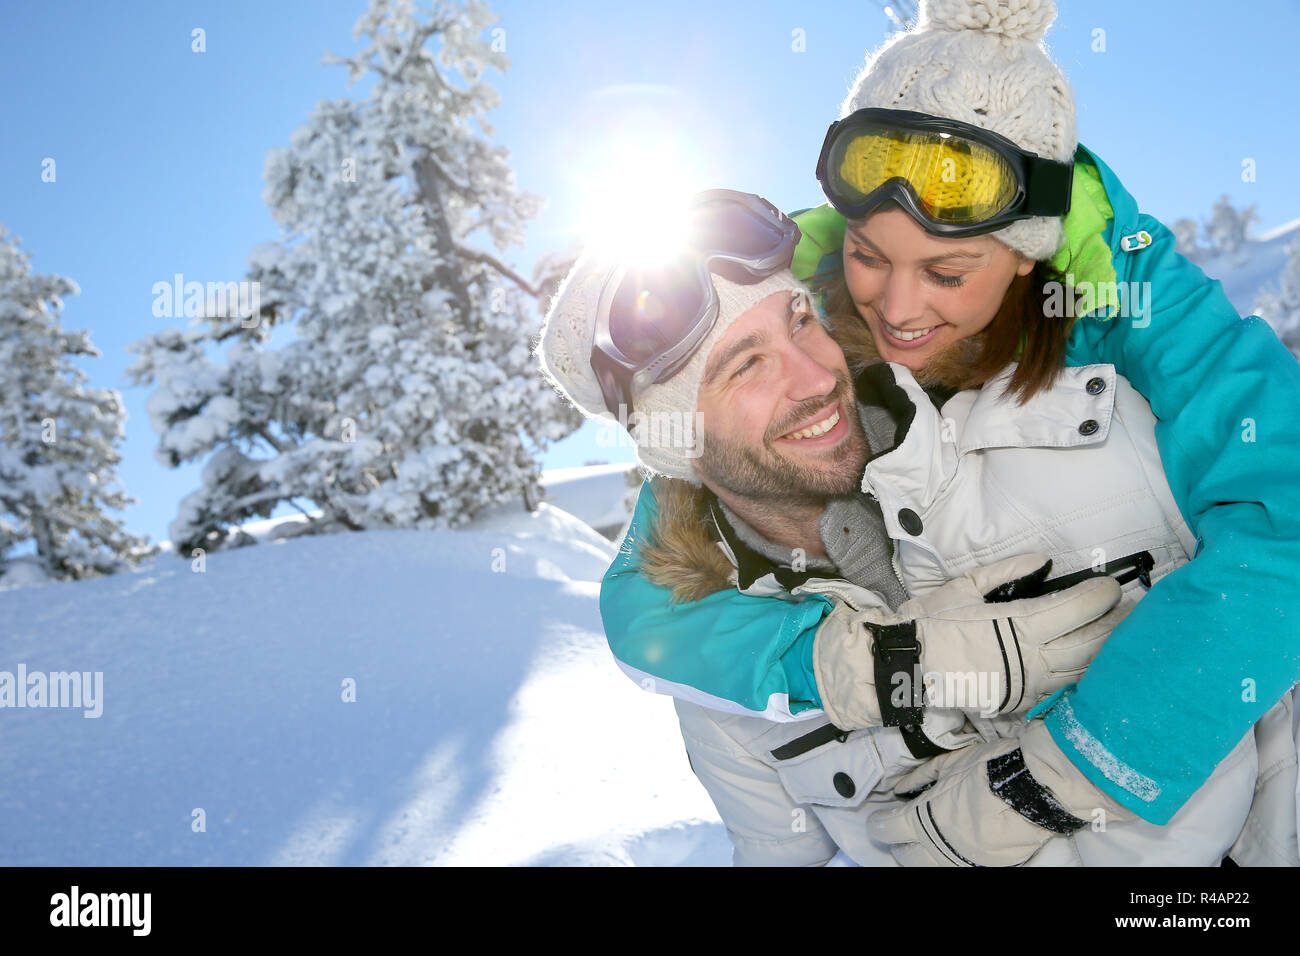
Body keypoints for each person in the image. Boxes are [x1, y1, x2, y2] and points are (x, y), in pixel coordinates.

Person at [593, 0, 1300, 859]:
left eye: (948, 271)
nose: (895, 309)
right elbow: (656, 580)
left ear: (1033, 252)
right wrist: (859, 663)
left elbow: (1283, 529)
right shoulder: (803, 297)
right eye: (868, 253)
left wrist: (1064, 775)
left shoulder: (1128, 304)